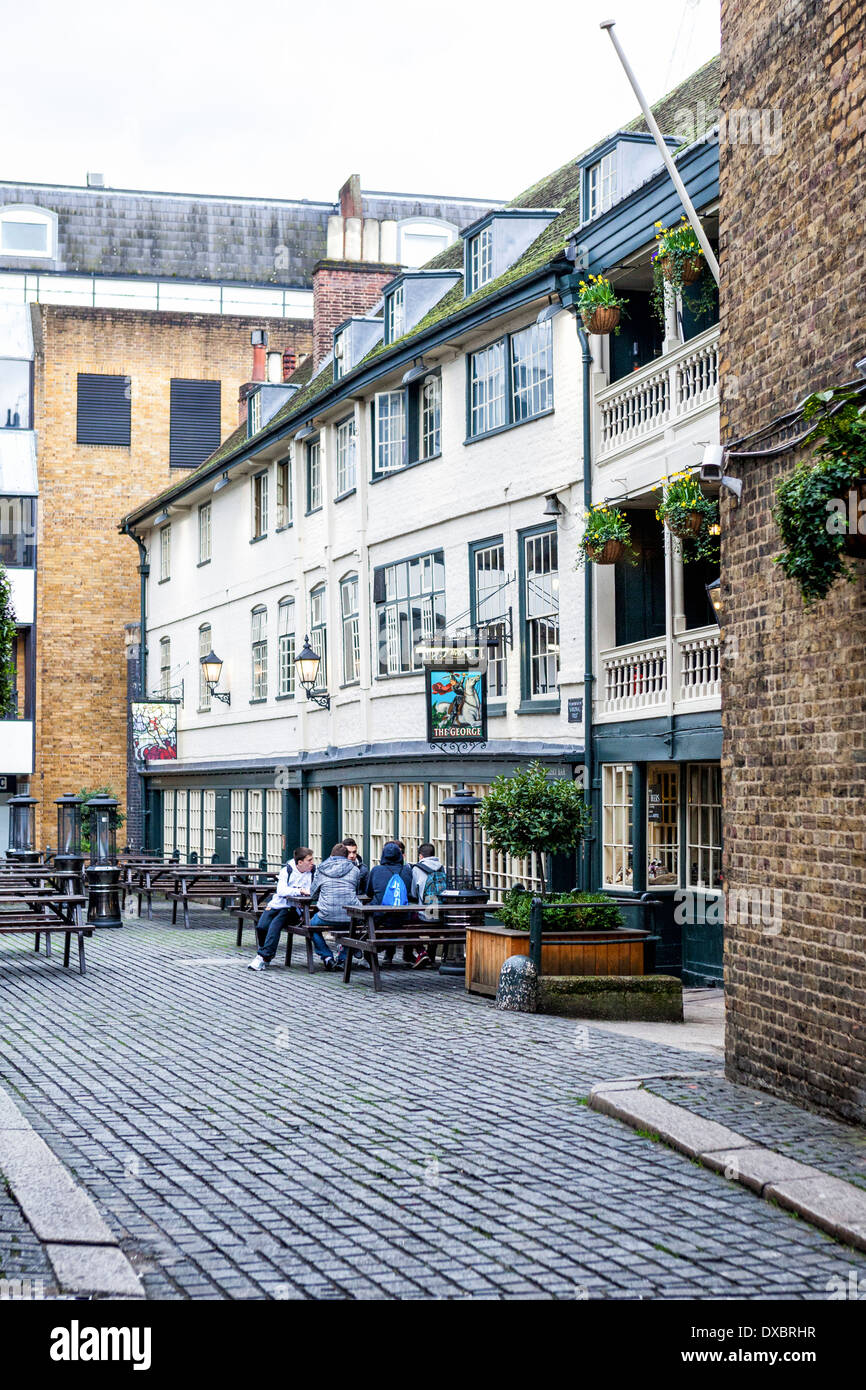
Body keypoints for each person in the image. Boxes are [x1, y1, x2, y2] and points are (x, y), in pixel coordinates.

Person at [248, 848, 314, 971]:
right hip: (276, 905)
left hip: (294, 909)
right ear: (300, 862)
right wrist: (299, 890)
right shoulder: (286, 871)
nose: (312, 863)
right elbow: (281, 891)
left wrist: (300, 893)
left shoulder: (312, 873)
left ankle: (262, 957)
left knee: (275, 925)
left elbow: (312, 892)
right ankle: (266, 955)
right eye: (309, 860)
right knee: (261, 927)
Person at [308, 842, 362, 969]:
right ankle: (343, 958)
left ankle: (327, 956)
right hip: (350, 914)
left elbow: (313, 894)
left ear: (331, 856)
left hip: (326, 914)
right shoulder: (355, 870)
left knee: (311, 926)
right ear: (346, 855)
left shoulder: (321, 869)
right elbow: (356, 890)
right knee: (356, 928)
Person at [364, 841, 419, 966]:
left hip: (380, 917)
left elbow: (369, 892)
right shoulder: (406, 870)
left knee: (364, 918)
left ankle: (368, 950)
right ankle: (404, 953)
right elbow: (410, 893)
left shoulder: (376, 870)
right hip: (403, 917)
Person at [409, 842, 447, 969]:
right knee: (434, 924)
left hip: (425, 912)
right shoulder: (442, 868)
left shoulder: (417, 869)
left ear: (420, 856)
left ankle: (421, 952)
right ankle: (431, 955)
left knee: (409, 922)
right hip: (442, 912)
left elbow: (414, 892)